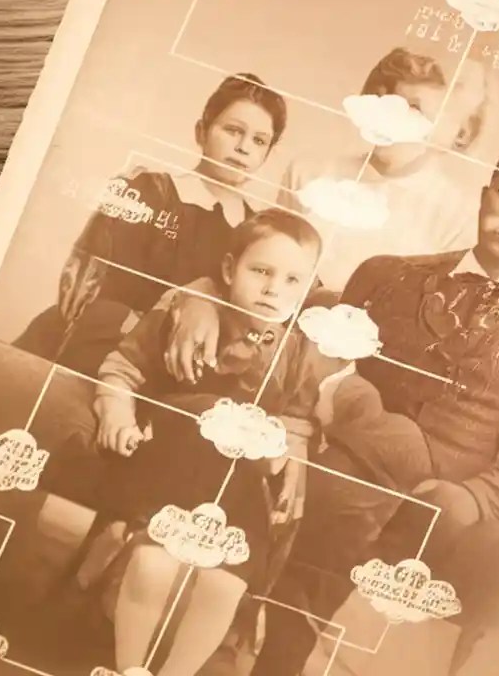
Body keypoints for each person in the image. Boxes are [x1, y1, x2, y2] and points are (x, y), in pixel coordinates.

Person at [170, 140, 499, 674]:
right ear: (486, 195)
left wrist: (474, 498)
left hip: (440, 499)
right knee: (331, 499)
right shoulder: (387, 273)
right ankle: (259, 650)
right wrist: (202, 292)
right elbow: (306, 348)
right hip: (347, 460)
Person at [89, 209, 348, 676]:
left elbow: (297, 420)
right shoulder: (183, 313)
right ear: (230, 269)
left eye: (293, 280)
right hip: (172, 469)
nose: (273, 289)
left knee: (223, 587)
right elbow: (122, 368)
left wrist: (289, 459)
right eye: (261, 271)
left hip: (239, 490)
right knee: (153, 567)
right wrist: (117, 412)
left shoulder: (298, 348)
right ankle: (128, 668)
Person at [14, 72, 288, 378]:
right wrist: (187, 301)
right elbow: (96, 294)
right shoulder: (149, 191)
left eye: (259, 140)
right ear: (201, 132)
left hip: (189, 374)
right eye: (233, 130)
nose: (244, 147)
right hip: (102, 350)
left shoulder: (261, 235)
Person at [274, 46, 499, 293]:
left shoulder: (458, 219)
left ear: (460, 134)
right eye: (390, 103)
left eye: (414, 109)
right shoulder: (308, 173)